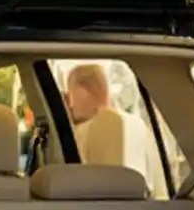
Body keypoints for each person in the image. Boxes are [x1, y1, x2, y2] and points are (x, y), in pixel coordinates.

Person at [64, 63, 167, 198]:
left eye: (70, 93)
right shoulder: (137, 124)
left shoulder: (90, 130)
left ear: (85, 92)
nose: (70, 104)